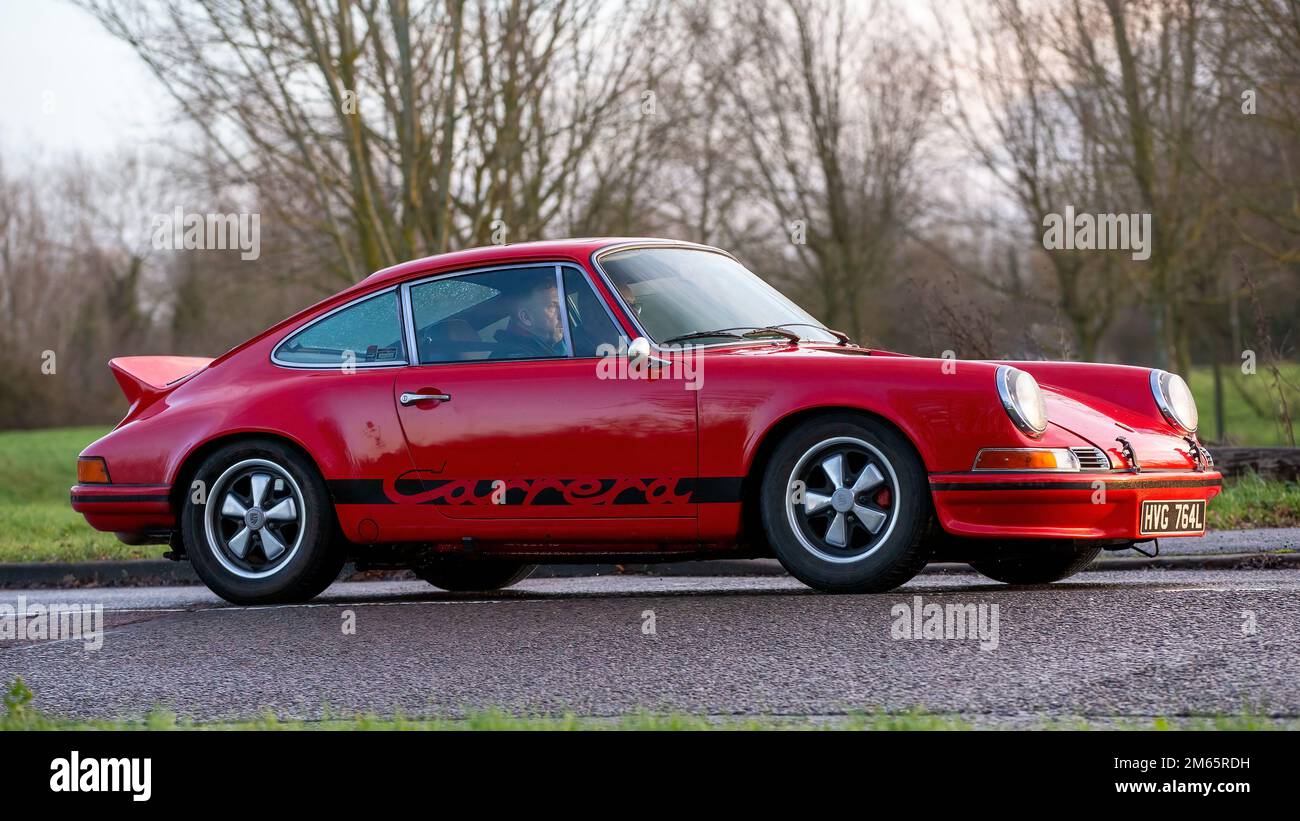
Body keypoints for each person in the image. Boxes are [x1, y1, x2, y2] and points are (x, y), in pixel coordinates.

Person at [492, 275, 565, 359]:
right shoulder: (518, 360)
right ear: (525, 317)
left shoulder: (539, 349)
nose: (562, 315)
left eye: (561, 306)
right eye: (552, 307)